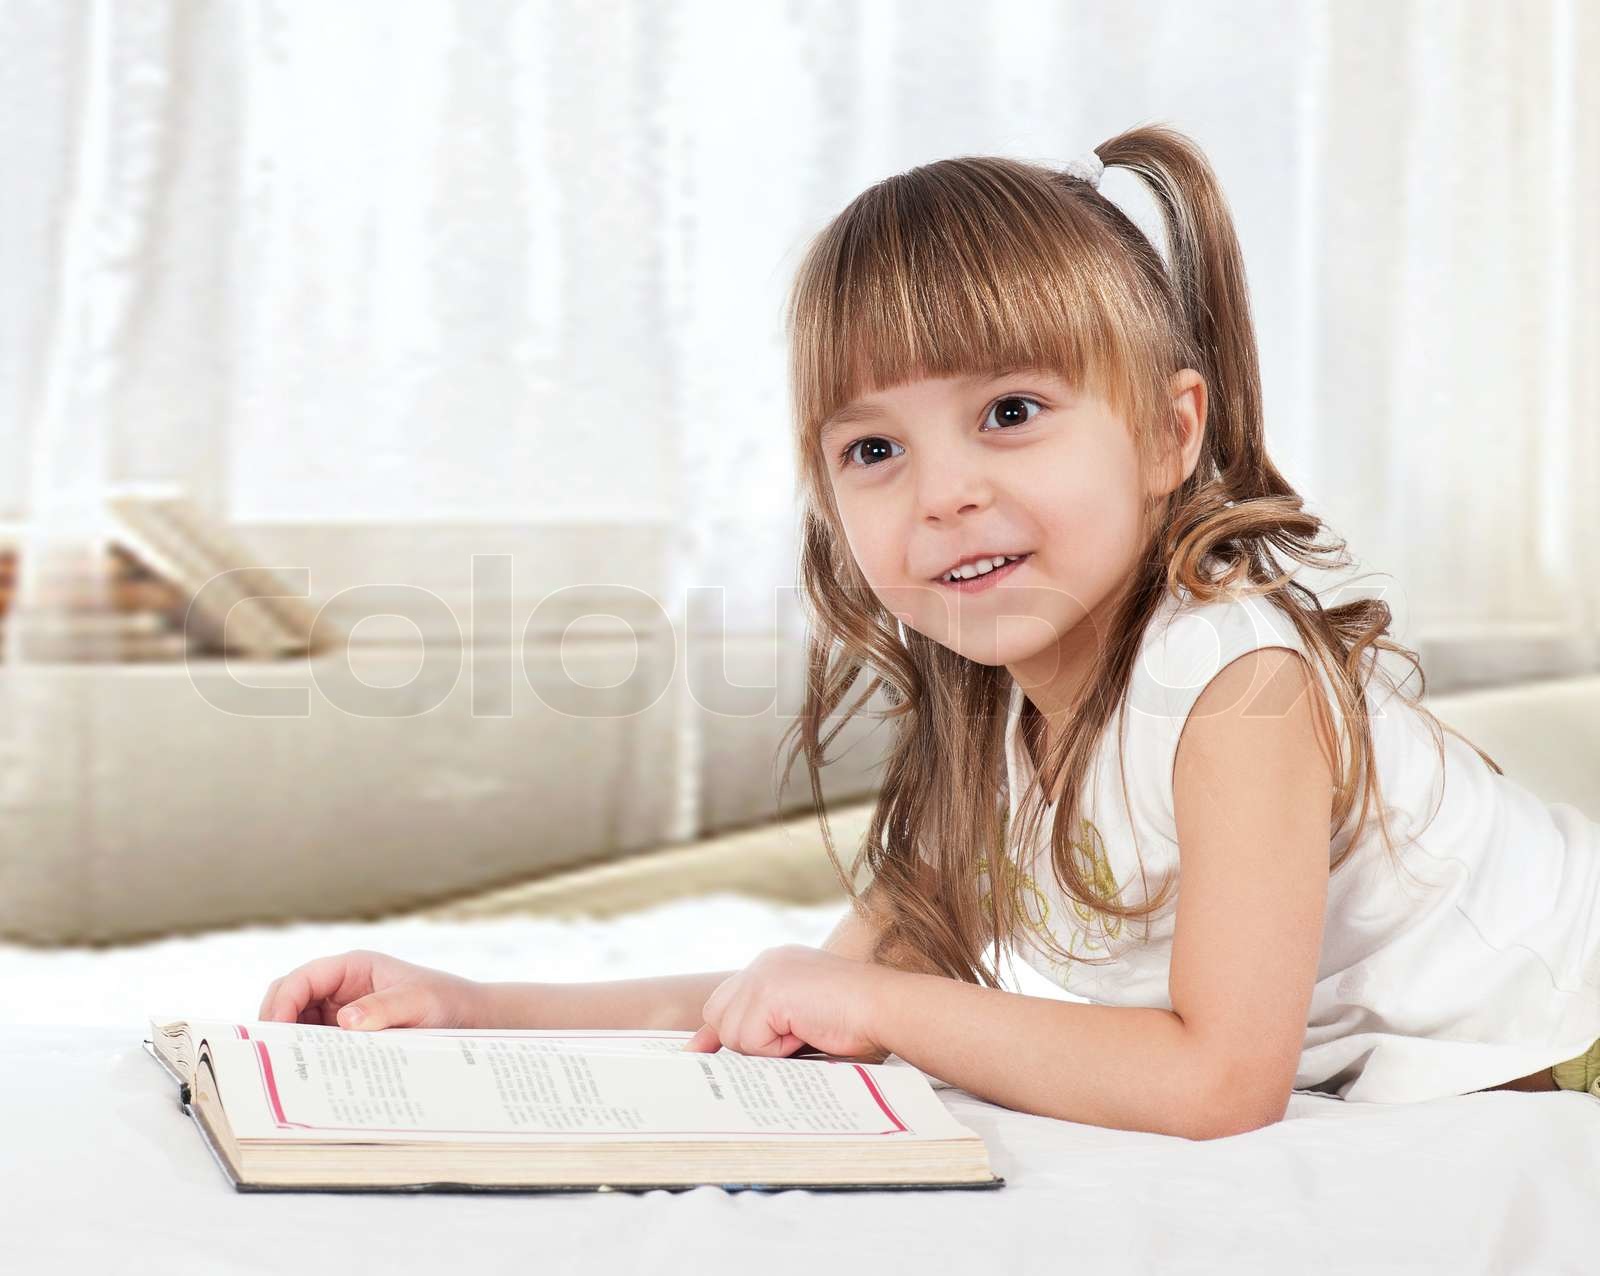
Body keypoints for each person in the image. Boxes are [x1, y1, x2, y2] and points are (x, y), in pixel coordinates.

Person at [258, 122, 1600, 1138]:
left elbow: (1222, 1079)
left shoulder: (1234, 686)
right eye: (875, 447)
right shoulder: (998, 710)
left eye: (1010, 411)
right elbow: (802, 992)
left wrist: (885, 1010)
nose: (944, 490)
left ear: (1168, 434)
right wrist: (480, 1010)